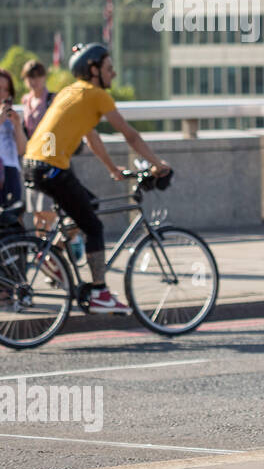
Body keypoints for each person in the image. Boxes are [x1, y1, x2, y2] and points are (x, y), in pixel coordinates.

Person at [21, 43, 171, 313]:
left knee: (90, 205)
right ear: (93, 70)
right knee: (94, 227)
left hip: (35, 164)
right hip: (52, 166)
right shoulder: (96, 95)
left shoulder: (72, 92)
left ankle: (51, 256)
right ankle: (100, 291)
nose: (113, 74)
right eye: (109, 68)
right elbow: (130, 134)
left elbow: (91, 138)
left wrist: (113, 169)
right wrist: (158, 163)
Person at [20, 60, 58, 234]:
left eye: (37, 76)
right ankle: (41, 253)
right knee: (36, 211)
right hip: (31, 159)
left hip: (49, 159)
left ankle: (50, 249)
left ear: (44, 77)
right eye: (29, 77)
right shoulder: (26, 100)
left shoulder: (51, 99)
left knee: (48, 210)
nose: (33, 81)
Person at [0, 70, 26, 219]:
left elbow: (22, 150)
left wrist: (17, 125)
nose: (2, 94)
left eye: (5, 90)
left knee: (12, 219)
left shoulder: (13, 115)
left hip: (10, 171)